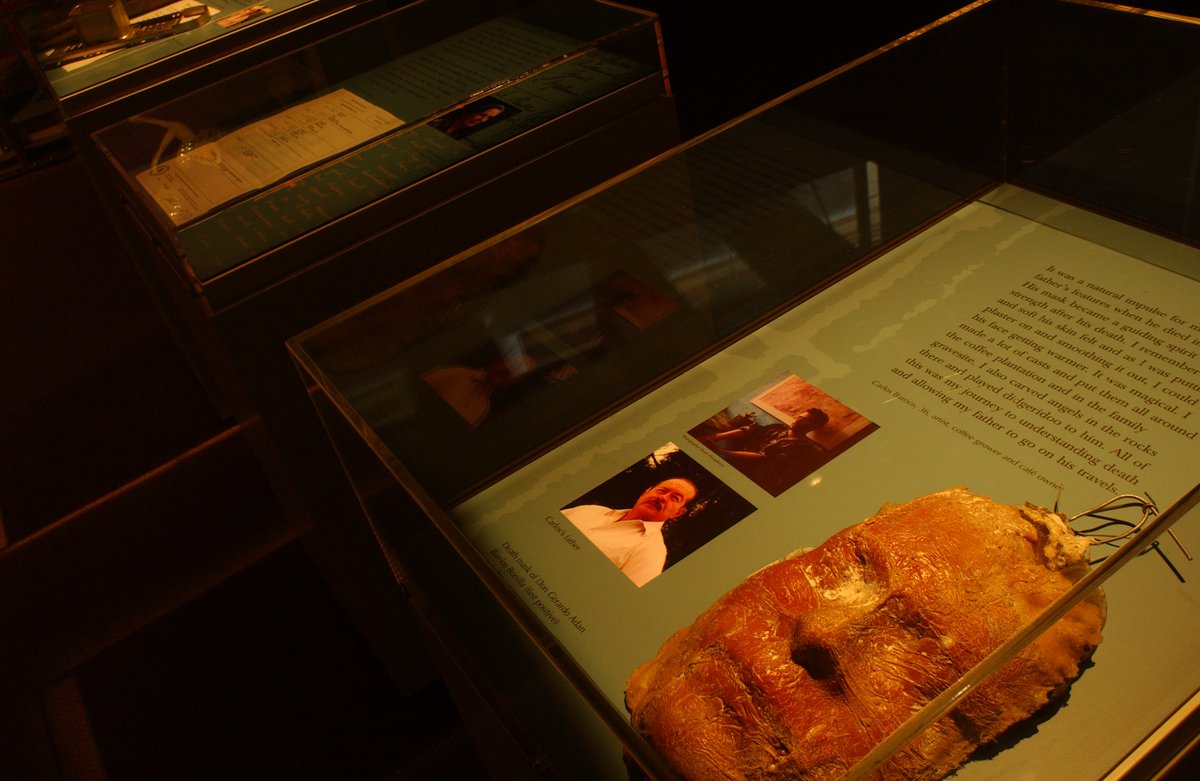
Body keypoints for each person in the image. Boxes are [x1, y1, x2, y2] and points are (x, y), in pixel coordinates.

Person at [562, 478, 697, 587]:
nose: (663, 497)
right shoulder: (590, 510)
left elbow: (618, 597)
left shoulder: (652, 553)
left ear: (678, 513)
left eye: (675, 498)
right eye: (662, 490)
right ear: (645, 493)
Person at [707, 408, 830, 494]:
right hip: (732, 457)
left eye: (804, 419)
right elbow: (749, 431)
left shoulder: (802, 448)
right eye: (799, 416)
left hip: (749, 474)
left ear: (814, 426)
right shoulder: (778, 427)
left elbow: (762, 457)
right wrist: (717, 436)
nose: (797, 419)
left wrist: (722, 452)